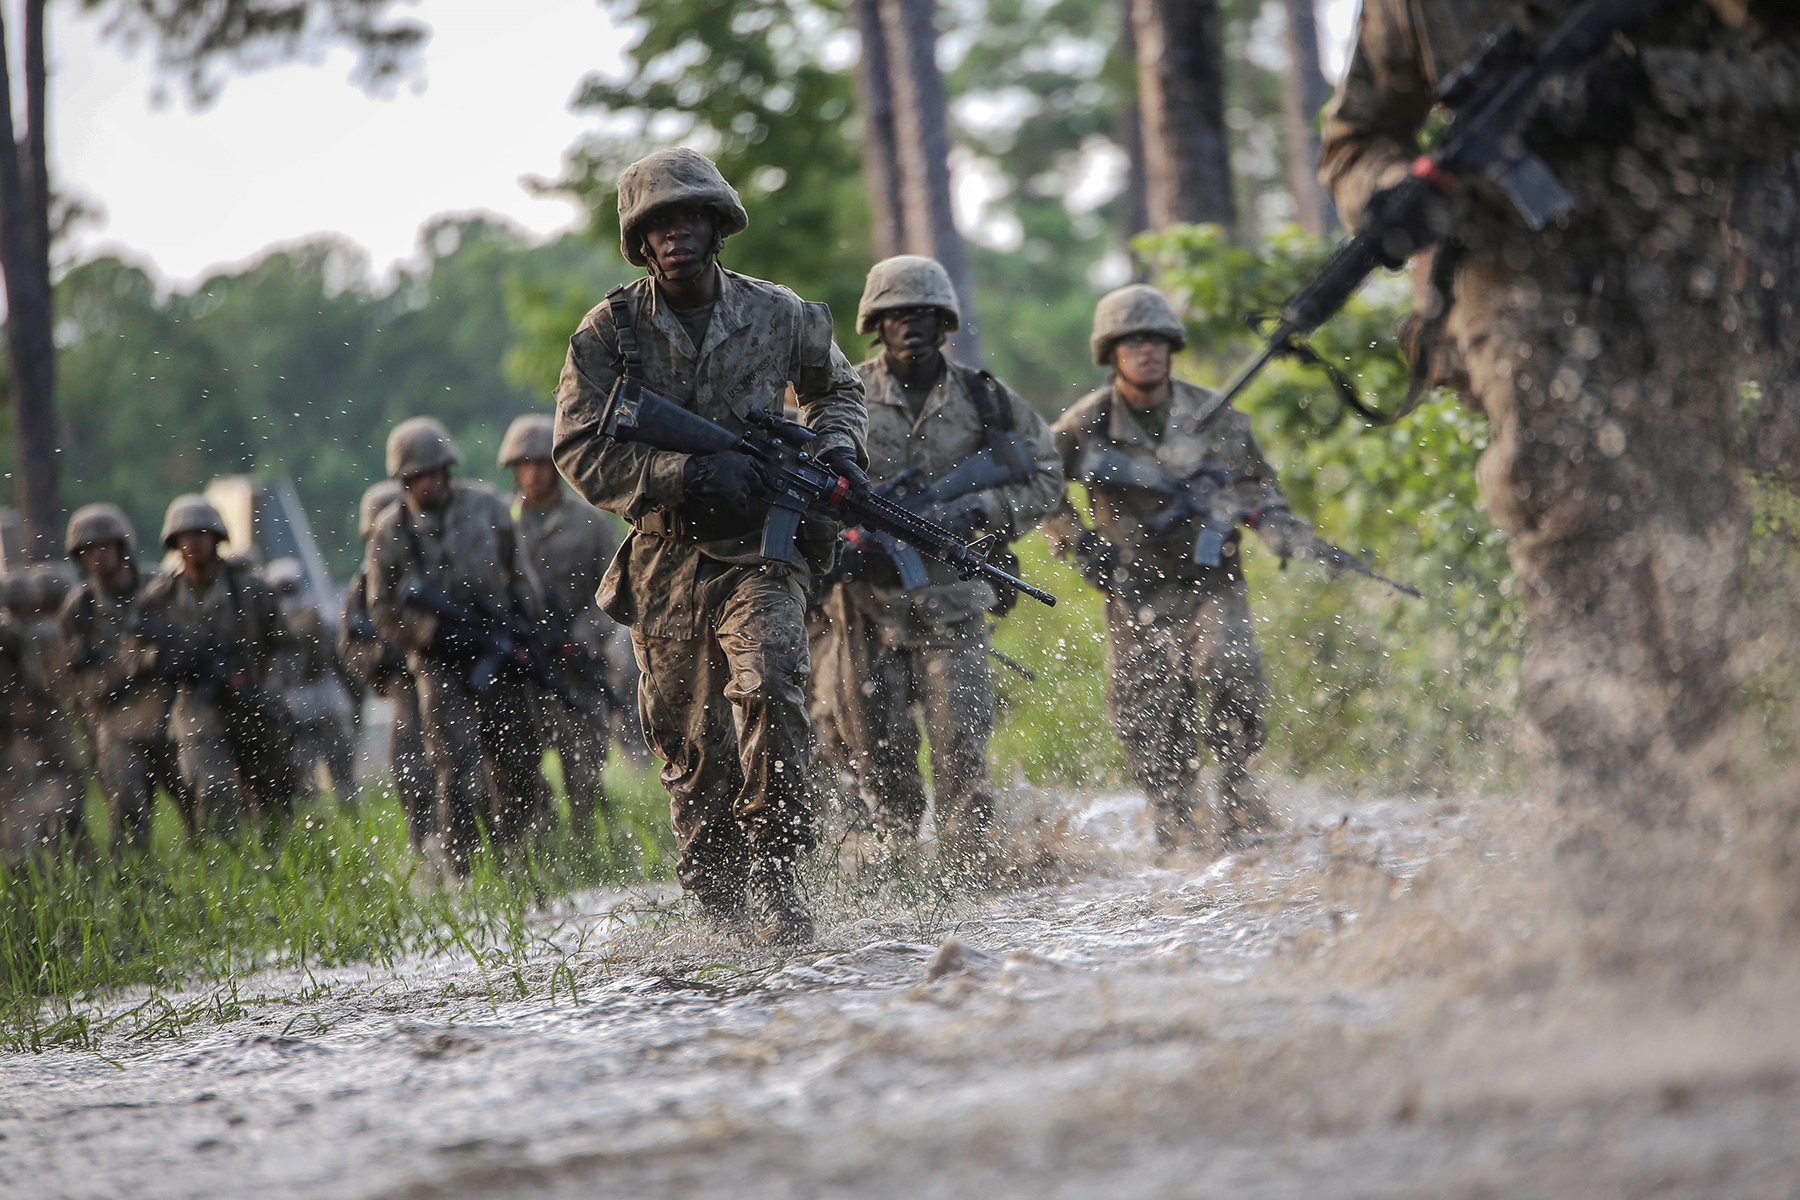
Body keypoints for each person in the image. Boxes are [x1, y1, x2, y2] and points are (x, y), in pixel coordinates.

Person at [1318, 0, 1800, 809]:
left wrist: (1643, 83)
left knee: (1694, 514)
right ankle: (1601, 786)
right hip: (1509, 277)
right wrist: (1393, 188)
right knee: (1561, 495)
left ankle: (1709, 760)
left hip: (1668, 257)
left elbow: (1781, 81)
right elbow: (1355, 140)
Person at [553, 147, 867, 943]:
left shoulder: (779, 313)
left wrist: (834, 451)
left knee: (771, 688)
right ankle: (722, 904)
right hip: (664, 564)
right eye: (658, 225)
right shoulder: (608, 335)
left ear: (718, 224)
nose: (675, 236)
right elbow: (579, 449)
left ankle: (778, 875)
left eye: (690, 218)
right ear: (640, 241)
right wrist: (682, 476)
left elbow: (839, 388)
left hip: (763, 550)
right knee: (693, 753)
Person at [1044, 285, 1322, 850]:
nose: (1146, 350)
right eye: (1132, 340)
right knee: (1149, 707)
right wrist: (1078, 545)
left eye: (1157, 340)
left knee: (1231, 669)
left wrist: (1275, 526)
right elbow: (1041, 488)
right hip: (1132, 586)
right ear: (1112, 351)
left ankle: (1239, 792)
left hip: (1211, 581)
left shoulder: (1213, 413)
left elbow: (1257, 486)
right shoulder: (1086, 423)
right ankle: (1175, 817)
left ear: (1172, 347)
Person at [810, 255, 1063, 873]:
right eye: (896, 315)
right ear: (876, 323)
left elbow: (1047, 476)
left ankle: (971, 873)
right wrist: (839, 541)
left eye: (923, 313)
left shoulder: (983, 398)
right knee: (875, 755)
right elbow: (798, 485)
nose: (910, 325)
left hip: (952, 603)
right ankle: (894, 875)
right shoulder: (842, 397)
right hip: (862, 608)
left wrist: (981, 509)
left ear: (944, 319)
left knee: (962, 748)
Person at [365, 416, 552, 873]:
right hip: (438, 666)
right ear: (404, 479)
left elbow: (519, 575)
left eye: (437, 471)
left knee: (519, 761)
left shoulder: (487, 507)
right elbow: (382, 608)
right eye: (420, 475)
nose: (431, 481)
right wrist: (430, 634)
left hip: (496, 652)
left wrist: (527, 631)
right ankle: (461, 873)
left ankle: (522, 861)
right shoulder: (389, 532)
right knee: (456, 771)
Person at [129, 494, 298, 832]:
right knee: (216, 791)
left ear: (217, 537)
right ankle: (226, 867)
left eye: (202, 534)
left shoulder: (251, 590)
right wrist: (161, 659)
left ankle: (278, 864)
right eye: (185, 536)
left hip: (251, 704)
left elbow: (286, 645)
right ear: (174, 543)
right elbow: (131, 651)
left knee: (274, 799)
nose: (194, 543)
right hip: (197, 710)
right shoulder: (160, 599)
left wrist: (270, 687)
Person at [498, 412, 625, 840]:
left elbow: (616, 591)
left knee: (583, 769)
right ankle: (540, 848)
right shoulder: (499, 524)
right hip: (519, 669)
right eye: (524, 464)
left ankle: (590, 845)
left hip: (576, 662)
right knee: (517, 771)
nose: (533, 473)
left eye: (541, 463)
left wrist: (583, 636)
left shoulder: (589, 523)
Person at [60, 503, 183, 848]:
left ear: (121, 546)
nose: (97, 556)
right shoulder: (80, 607)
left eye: (104, 547)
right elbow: (76, 681)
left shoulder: (158, 590)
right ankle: (132, 887)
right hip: (118, 723)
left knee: (200, 804)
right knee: (127, 810)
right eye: (87, 550)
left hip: (169, 714)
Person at [339, 481, 436, 851]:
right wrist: (383, 659)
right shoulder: (362, 587)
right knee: (410, 772)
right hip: (402, 692)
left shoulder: (428, 572)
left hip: (440, 679)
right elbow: (349, 646)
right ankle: (424, 848)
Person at [262, 557, 357, 800]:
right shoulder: (319, 615)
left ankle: (319, 826)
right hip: (319, 702)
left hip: (302, 704)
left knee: (309, 779)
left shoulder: (277, 622)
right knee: (333, 776)